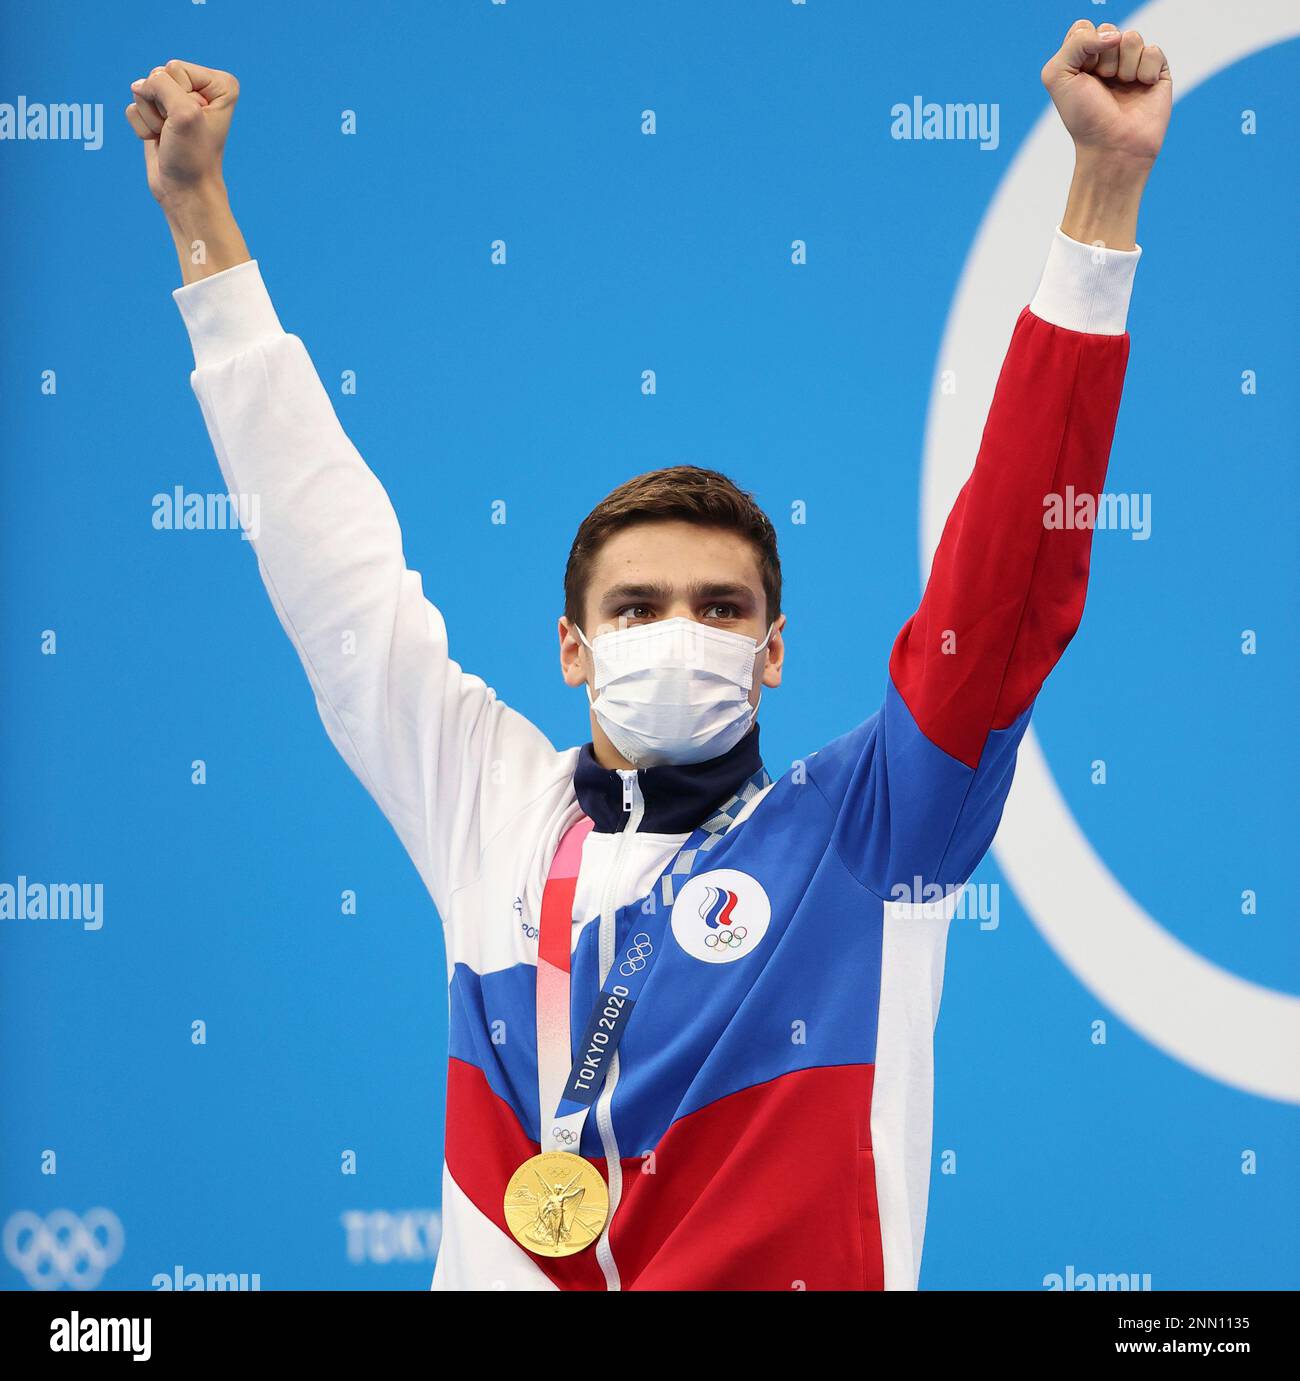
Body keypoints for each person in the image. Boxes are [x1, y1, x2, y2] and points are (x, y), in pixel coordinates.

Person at [127, 18, 1171, 1290]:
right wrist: (197, 214)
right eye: (635, 609)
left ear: (775, 650)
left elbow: (1006, 582)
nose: (680, 633)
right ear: (571, 648)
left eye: (721, 609)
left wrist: (1101, 194)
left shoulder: (870, 827)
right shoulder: (484, 801)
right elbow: (324, 555)